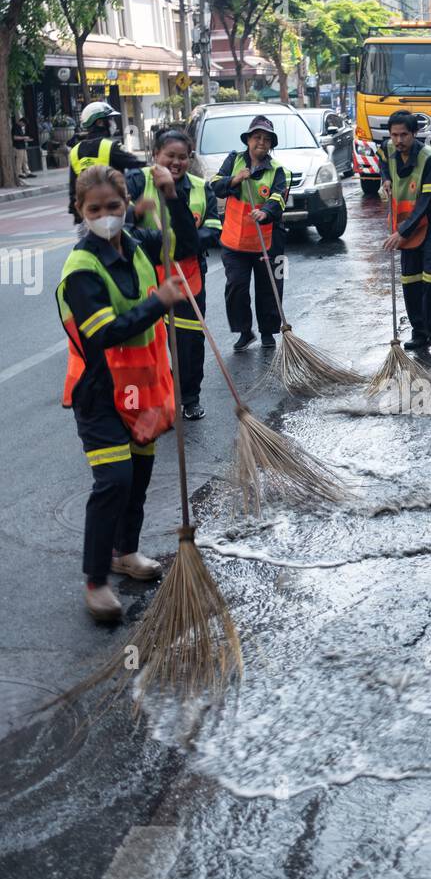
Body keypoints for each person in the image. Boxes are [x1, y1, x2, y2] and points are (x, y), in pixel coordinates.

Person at [56, 165, 195, 620]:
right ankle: (96, 581)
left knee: (136, 481)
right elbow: (103, 335)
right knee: (112, 482)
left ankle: (125, 552)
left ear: (124, 207)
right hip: (98, 392)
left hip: (143, 389)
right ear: (80, 210)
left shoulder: (134, 244)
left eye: (113, 207)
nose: (105, 216)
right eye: (94, 209)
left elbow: (182, 246)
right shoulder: (81, 269)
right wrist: (159, 302)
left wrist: (171, 198)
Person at [126, 128, 222, 420]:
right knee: (145, 344)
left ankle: (189, 397)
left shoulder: (200, 187)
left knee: (188, 344)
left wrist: (184, 243)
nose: (176, 162)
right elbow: (118, 223)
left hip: (186, 277)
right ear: (155, 155)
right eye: (170, 156)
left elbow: (213, 230)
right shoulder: (136, 181)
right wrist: (152, 238)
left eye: (183, 157)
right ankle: (152, 398)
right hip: (144, 279)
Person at [209, 114, 288, 351]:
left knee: (270, 288)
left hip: (267, 240)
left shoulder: (278, 170)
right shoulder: (234, 160)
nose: (261, 142)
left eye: (266, 139)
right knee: (236, 286)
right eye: (257, 137)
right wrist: (234, 179)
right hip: (235, 241)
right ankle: (244, 331)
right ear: (248, 140)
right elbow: (215, 184)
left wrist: (265, 212)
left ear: (271, 144)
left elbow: (279, 197)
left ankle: (268, 332)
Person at [379, 109, 431, 352]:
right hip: (405, 222)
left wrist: (402, 232)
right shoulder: (388, 149)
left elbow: (426, 200)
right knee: (410, 279)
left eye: (404, 135)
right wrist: (385, 178)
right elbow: (382, 159)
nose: (398, 141)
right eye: (394, 135)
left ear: (415, 133)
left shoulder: (430, 158)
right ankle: (419, 332)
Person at [68, 101, 145, 223]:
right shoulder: (110, 146)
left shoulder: (74, 151)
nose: (113, 124)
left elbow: (73, 188)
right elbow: (138, 166)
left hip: (88, 214)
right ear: (100, 122)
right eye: (110, 120)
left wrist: (78, 215)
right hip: (113, 208)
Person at [12, 116, 34, 181]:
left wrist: (27, 139)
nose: (23, 126)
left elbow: (21, 137)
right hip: (18, 147)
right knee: (19, 160)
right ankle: (19, 173)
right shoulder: (15, 127)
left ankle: (27, 172)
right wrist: (24, 138)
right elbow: (15, 137)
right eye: (23, 124)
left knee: (25, 160)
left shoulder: (20, 128)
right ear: (21, 122)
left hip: (23, 146)